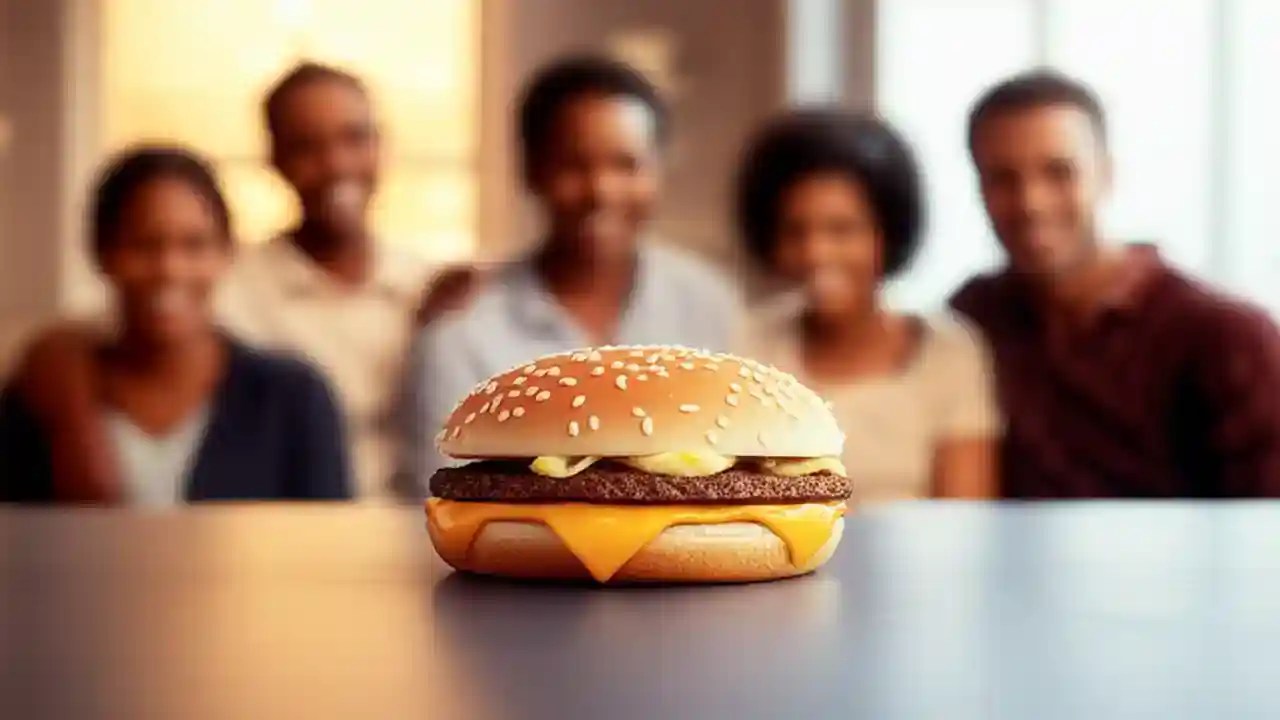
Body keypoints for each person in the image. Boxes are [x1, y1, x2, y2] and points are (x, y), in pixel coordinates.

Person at [11, 62, 433, 501]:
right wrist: (77, 428)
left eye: (354, 137)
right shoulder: (230, 289)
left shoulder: (429, 287)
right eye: (307, 145)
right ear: (275, 157)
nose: (335, 162)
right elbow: (72, 344)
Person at [401, 55, 741, 489]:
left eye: (626, 164)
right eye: (573, 165)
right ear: (532, 172)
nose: (600, 190)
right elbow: (443, 487)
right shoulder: (464, 330)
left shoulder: (708, 305)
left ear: (658, 170)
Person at [952, 70, 1280, 497]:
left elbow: (1267, 526)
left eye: (1059, 172)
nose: (1030, 202)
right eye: (1002, 179)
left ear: (1106, 175)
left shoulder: (1227, 337)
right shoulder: (975, 318)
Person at [0, 147, 351, 504]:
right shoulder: (49, 391)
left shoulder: (292, 397)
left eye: (195, 245)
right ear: (101, 253)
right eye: (143, 246)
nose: (169, 269)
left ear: (226, 252)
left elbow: (331, 546)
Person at [736, 110, 999, 502]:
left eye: (841, 230)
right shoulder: (749, 348)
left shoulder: (950, 352)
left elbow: (964, 521)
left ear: (887, 235)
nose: (816, 252)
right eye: (796, 231)